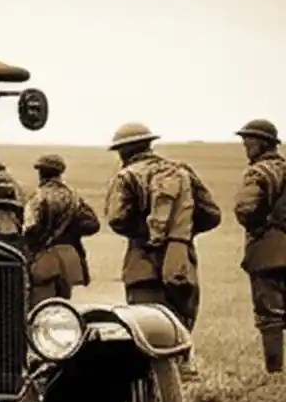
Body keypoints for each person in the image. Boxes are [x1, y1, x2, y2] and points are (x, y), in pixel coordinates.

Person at [104, 122, 221, 342]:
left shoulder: (127, 176)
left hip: (143, 264)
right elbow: (212, 215)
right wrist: (180, 232)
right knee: (181, 326)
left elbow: (116, 219)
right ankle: (184, 370)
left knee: (148, 331)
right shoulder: (182, 171)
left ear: (123, 151)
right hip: (181, 262)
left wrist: (146, 233)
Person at [233, 119, 286, 374]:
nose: (245, 146)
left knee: (270, 316)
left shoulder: (259, 172)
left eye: (248, 141)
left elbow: (245, 210)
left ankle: (274, 374)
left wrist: (260, 224)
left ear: (261, 143)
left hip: (267, 253)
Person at [22, 154, 100, 305]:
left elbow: (29, 228)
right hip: (70, 258)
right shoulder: (73, 196)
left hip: (45, 259)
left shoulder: (37, 197)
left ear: (41, 173)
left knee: (42, 308)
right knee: (67, 308)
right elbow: (93, 225)